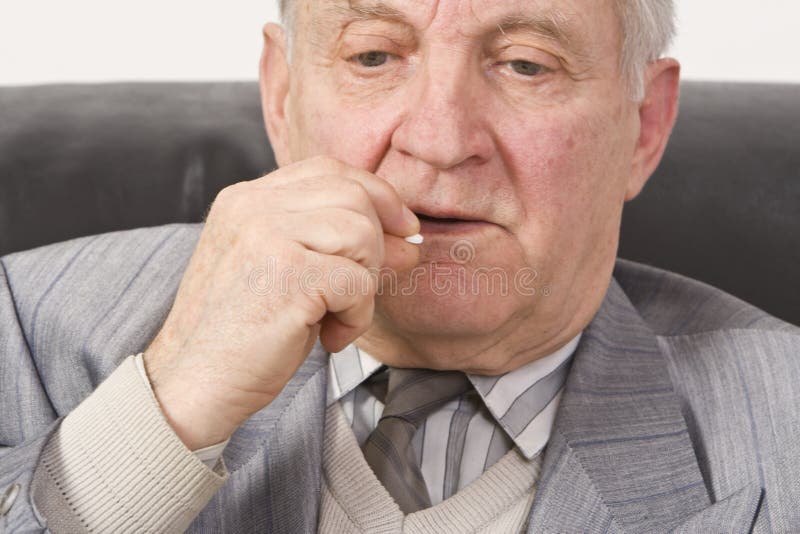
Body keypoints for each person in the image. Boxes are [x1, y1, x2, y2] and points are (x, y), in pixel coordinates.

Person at [1, 0, 798, 532]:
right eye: (374, 55)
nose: (441, 140)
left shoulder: (783, 426)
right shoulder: (22, 329)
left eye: (526, 64)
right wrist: (163, 417)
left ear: (645, 127)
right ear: (282, 97)